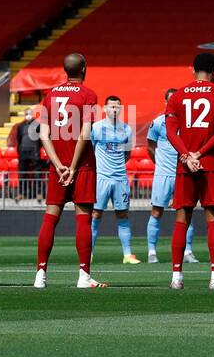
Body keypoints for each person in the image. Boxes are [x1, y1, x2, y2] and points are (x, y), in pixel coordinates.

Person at [33, 52, 105, 289]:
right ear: (84, 68)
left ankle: (40, 275)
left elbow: (43, 135)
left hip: (58, 168)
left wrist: (58, 165)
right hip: (81, 167)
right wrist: (73, 168)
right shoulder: (89, 95)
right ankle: (84, 276)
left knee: (50, 217)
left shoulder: (50, 95)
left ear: (65, 70)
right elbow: (85, 133)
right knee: (83, 219)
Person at [165, 52, 214, 290]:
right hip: (210, 165)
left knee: (181, 218)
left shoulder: (177, 96)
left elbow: (170, 132)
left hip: (184, 166)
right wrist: (200, 154)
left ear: (192, 70)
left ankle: (176, 277)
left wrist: (186, 155)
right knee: (213, 219)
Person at [145, 87, 196, 264]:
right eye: (170, 100)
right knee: (157, 211)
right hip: (163, 174)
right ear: (166, 102)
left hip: (183, 173)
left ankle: (188, 251)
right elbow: (150, 147)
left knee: (186, 212)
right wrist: (159, 164)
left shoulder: (188, 122)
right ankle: (152, 251)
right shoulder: (158, 123)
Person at [90, 95, 139, 264]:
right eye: (111, 106)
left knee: (123, 215)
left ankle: (127, 255)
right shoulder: (96, 128)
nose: (114, 109)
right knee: (95, 214)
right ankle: (89, 253)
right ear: (104, 109)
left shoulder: (126, 129)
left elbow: (127, 154)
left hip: (120, 178)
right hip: (101, 178)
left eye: (117, 107)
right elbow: (90, 151)